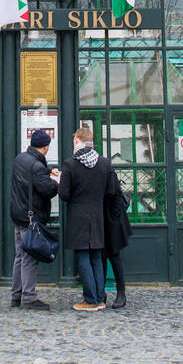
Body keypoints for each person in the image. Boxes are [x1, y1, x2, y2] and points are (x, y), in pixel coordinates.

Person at [57, 124, 118, 313]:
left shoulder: (70, 164)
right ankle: (99, 299)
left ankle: (90, 299)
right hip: (97, 216)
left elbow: (64, 194)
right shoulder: (104, 163)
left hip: (78, 218)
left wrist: (60, 180)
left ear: (76, 141)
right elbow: (111, 191)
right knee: (97, 258)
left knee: (83, 257)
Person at [9, 129, 60, 311]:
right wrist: (56, 182)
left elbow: (33, 170)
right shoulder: (36, 166)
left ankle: (17, 295)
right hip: (32, 217)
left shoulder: (20, 159)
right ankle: (29, 297)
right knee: (30, 257)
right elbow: (47, 189)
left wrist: (47, 170)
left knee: (20, 256)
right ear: (45, 147)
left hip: (19, 215)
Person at [103, 170, 132, 310]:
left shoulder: (106, 169)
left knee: (114, 256)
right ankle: (100, 292)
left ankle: (121, 293)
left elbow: (117, 196)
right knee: (99, 256)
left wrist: (113, 219)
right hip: (99, 218)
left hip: (112, 219)